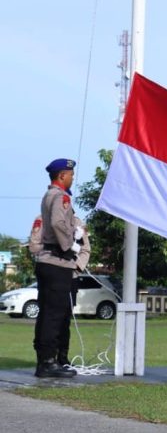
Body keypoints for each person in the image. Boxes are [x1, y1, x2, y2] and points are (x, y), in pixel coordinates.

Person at [34, 158, 80, 378]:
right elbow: (57, 223)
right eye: (70, 174)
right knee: (55, 314)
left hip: (47, 261)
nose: (72, 178)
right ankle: (49, 362)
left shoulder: (48, 195)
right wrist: (70, 244)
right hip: (57, 262)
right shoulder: (60, 196)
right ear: (62, 175)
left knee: (46, 313)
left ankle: (44, 359)